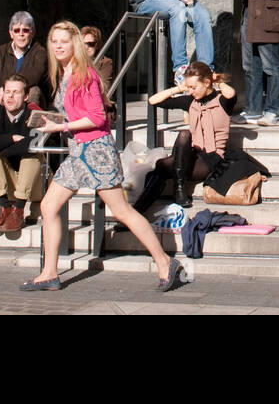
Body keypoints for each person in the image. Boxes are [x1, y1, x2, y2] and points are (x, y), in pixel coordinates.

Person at [20, 21, 183, 293]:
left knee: (121, 211)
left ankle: (165, 262)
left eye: (64, 40)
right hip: (78, 151)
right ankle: (49, 273)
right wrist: (52, 120)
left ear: (75, 45)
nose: (59, 46)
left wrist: (59, 126)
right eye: (54, 41)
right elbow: (78, 114)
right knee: (49, 207)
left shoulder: (85, 74)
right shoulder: (66, 73)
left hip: (96, 150)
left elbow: (97, 117)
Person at [133, 62, 231, 212]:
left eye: (194, 87)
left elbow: (231, 94)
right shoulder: (191, 102)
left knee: (161, 166)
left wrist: (217, 81)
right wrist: (179, 88)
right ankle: (178, 188)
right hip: (193, 154)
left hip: (212, 157)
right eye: (189, 87)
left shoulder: (222, 101)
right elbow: (153, 101)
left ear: (206, 83)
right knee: (183, 135)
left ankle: (137, 210)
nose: (190, 91)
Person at [0, 73, 42, 234]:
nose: (10, 96)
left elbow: (31, 145)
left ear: (25, 97)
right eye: (7, 91)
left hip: (35, 183)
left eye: (16, 92)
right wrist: (10, 138)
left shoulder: (34, 114)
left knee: (32, 155)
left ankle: (18, 210)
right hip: (11, 182)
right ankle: (4, 208)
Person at [0, 11, 51, 120]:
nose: (21, 34)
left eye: (26, 30)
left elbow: (33, 76)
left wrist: (5, 90)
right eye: (17, 30)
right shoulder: (2, 51)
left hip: (25, 100)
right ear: (11, 33)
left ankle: (25, 129)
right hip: (6, 100)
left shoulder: (40, 52)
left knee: (33, 90)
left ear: (32, 32)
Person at [81, 25, 114, 91]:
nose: (86, 47)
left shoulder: (105, 62)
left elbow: (104, 88)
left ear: (97, 45)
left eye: (91, 44)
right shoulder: (73, 61)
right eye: (83, 44)